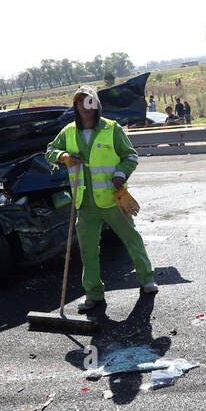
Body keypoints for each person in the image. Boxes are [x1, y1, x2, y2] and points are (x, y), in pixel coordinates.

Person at [45, 85, 156, 313]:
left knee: (131, 239)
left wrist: (120, 174)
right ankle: (94, 293)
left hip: (113, 200)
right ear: (75, 106)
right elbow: (50, 151)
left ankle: (147, 280)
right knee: (88, 250)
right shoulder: (68, 132)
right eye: (80, 102)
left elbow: (130, 156)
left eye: (89, 101)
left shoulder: (111, 129)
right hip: (85, 203)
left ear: (96, 105)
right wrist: (63, 156)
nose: (84, 106)